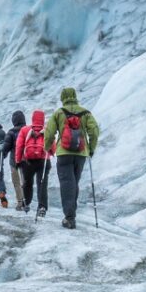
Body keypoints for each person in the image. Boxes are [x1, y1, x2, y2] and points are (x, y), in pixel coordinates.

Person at [43, 87, 99, 228]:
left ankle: (69, 218)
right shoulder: (85, 113)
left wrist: (47, 147)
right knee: (74, 182)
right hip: (81, 153)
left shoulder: (59, 113)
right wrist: (91, 149)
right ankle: (71, 214)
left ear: (63, 98)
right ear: (75, 96)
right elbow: (94, 131)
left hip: (64, 153)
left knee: (67, 183)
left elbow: (49, 133)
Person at [16, 110, 51, 216]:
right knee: (42, 183)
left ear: (32, 118)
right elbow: (52, 146)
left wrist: (18, 160)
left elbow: (19, 146)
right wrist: (51, 153)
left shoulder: (25, 130)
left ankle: (26, 204)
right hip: (43, 160)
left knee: (28, 183)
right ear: (43, 119)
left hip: (27, 161)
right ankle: (42, 207)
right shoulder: (47, 130)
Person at [5, 110, 28, 209]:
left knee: (16, 182)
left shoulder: (11, 132)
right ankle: (26, 201)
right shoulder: (28, 130)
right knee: (25, 181)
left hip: (14, 160)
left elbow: (6, 147)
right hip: (26, 159)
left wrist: (3, 153)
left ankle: (20, 202)